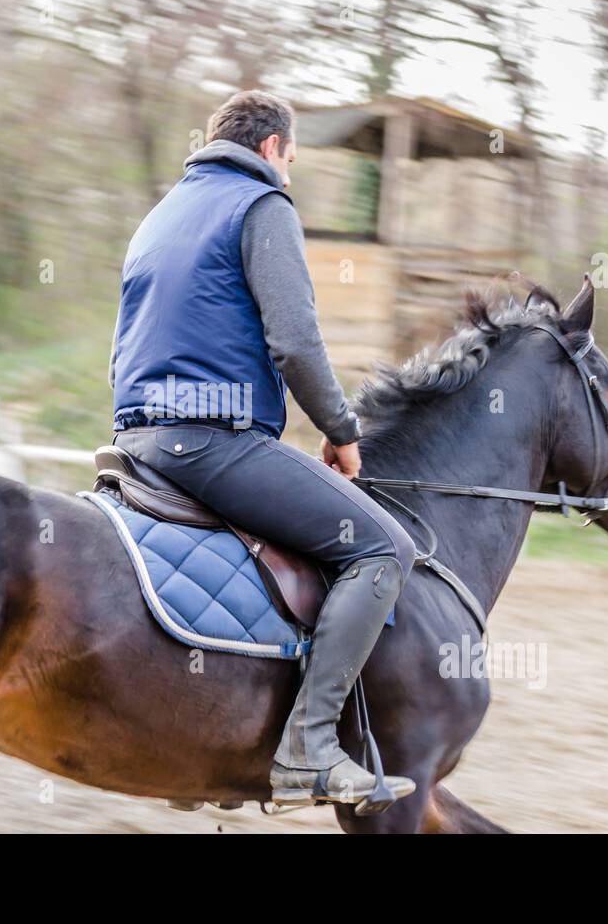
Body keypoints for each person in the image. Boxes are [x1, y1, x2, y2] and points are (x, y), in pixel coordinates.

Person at [109, 90, 418, 807]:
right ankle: (309, 747)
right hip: (210, 442)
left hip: (136, 439)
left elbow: (126, 342)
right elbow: (296, 343)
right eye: (293, 161)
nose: (290, 174)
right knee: (381, 550)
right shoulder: (260, 206)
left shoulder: (160, 217)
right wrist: (341, 431)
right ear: (274, 148)